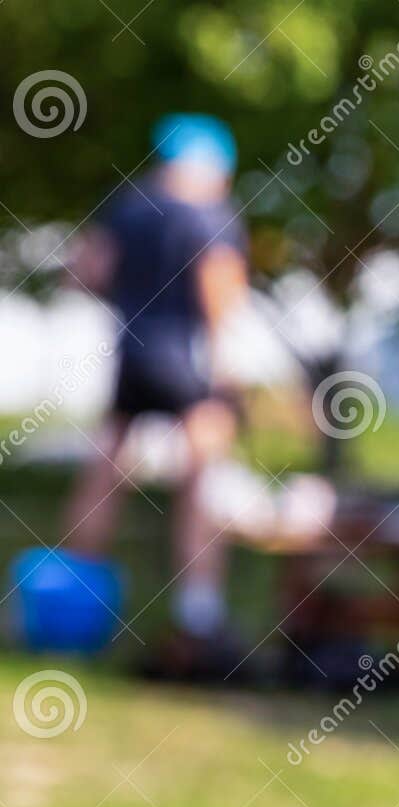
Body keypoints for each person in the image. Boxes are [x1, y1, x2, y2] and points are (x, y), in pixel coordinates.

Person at [60, 114, 251, 671]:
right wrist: (227, 379)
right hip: (188, 362)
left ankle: (71, 605)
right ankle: (199, 614)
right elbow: (221, 298)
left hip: (132, 355)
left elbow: (86, 271)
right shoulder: (212, 215)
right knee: (200, 484)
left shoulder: (129, 206)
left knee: (104, 474)